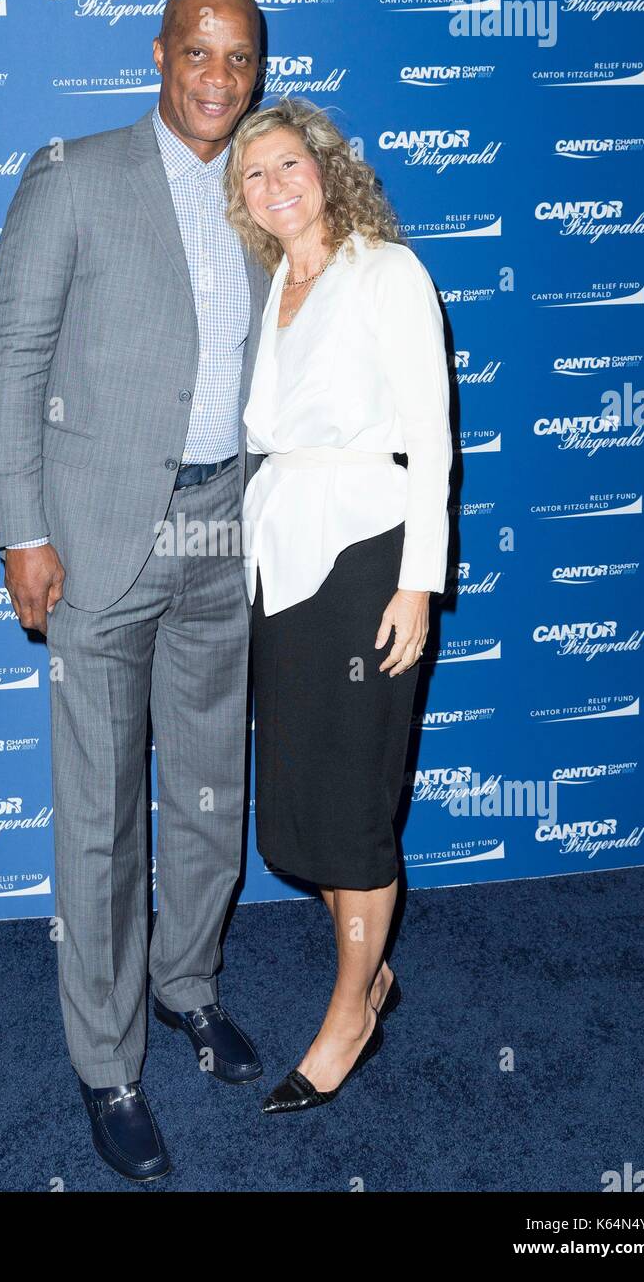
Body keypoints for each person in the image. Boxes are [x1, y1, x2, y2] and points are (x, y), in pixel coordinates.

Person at [0, 0, 270, 1181]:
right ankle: (107, 1061)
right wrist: (22, 530)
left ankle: (188, 986)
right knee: (100, 817)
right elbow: (13, 358)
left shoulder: (270, 189)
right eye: (197, 52)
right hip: (101, 536)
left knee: (207, 786)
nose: (216, 77)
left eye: (239, 58)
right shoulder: (74, 174)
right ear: (159, 54)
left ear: (257, 69)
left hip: (221, 523)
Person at [224, 97, 453, 1113]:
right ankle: (372, 968)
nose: (272, 187)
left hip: (366, 557)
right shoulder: (276, 283)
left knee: (354, 812)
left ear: (323, 166)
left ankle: (347, 1012)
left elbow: (433, 440)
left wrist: (418, 579)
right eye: (250, 177)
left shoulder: (383, 270)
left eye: (285, 165)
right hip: (281, 561)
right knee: (299, 817)